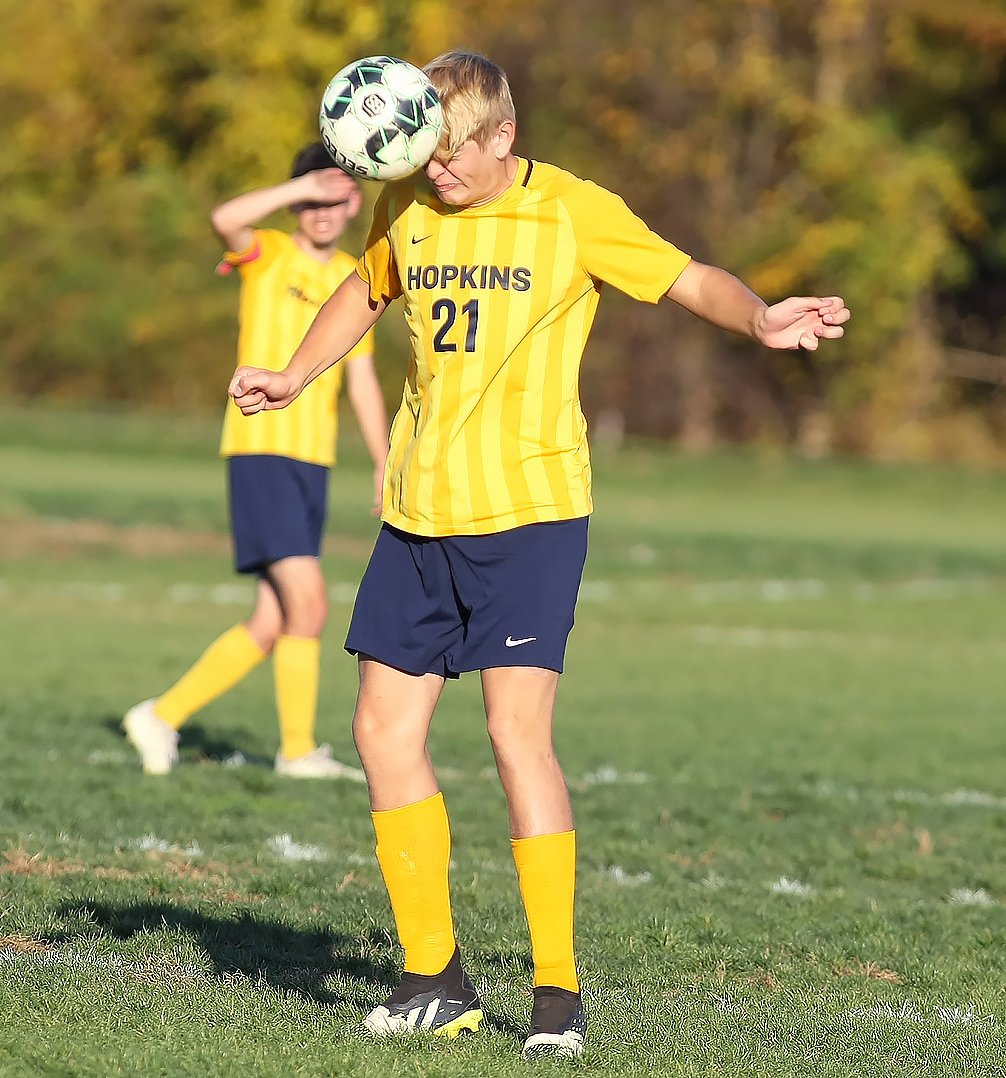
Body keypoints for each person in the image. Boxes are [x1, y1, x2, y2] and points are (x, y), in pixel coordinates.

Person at [229, 51, 851, 1058]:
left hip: (528, 515)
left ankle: (557, 992)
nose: (435, 172)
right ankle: (433, 978)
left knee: (515, 736)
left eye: (451, 156)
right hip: (418, 513)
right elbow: (363, 290)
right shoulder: (407, 205)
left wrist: (759, 316)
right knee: (380, 731)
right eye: (423, 157)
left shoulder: (570, 209)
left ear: (502, 136)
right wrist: (298, 373)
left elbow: (686, 276)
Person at [123, 142, 389, 780]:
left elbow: (361, 380)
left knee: (274, 620)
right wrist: (303, 185)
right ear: (298, 203)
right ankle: (296, 751)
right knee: (310, 603)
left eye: (335, 199)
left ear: (354, 204)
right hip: (261, 449)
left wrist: (383, 461)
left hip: (313, 461)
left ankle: (160, 715)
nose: (323, 211)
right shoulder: (268, 254)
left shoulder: (355, 277)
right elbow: (225, 219)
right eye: (313, 199)